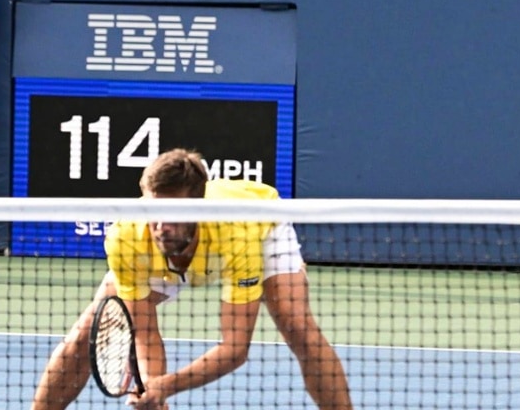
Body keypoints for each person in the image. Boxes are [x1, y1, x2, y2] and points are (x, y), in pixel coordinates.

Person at [31, 148, 354, 410]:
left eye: (173, 214)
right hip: (159, 258)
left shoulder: (237, 232)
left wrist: (166, 385)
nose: (161, 226)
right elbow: (144, 333)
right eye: (153, 211)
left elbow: (235, 349)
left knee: (297, 326)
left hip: (263, 223)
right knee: (84, 334)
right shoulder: (126, 235)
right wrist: (153, 390)